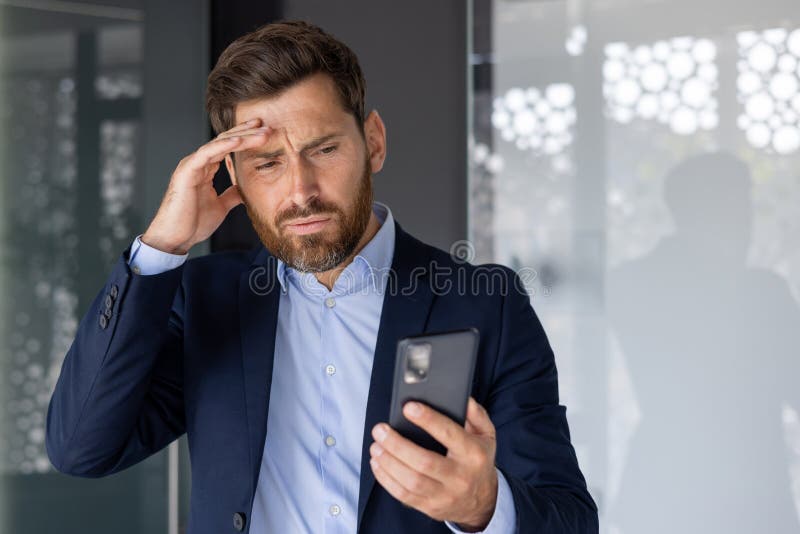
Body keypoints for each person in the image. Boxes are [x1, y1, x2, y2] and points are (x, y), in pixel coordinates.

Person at [45, 20, 597, 534]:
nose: (300, 190)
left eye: (325, 149)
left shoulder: (485, 304)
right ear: (232, 174)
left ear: (373, 142)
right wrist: (162, 247)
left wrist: (482, 505)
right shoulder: (201, 300)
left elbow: (569, 517)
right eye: (267, 164)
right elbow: (80, 448)